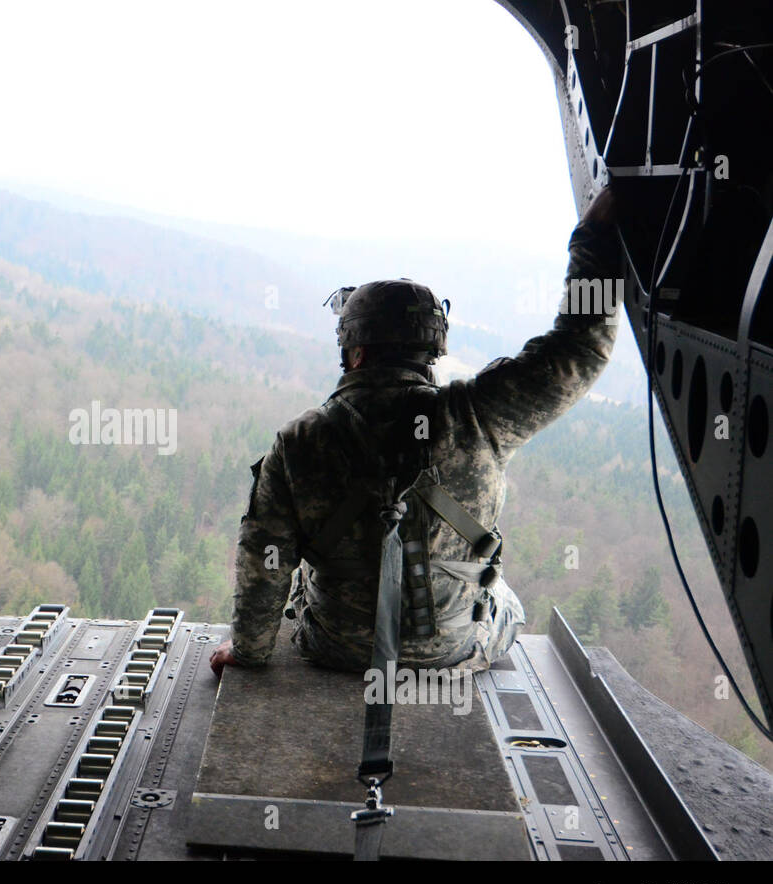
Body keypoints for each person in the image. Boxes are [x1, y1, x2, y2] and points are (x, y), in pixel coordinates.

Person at [211, 187, 620, 676]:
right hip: (451, 651)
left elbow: (267, 560)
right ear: (432, 352)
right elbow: (578, 352)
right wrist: (594, 239)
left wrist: (249, 651)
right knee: (504, 597)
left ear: (354, 353)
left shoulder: (300, 441)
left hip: (338, 647)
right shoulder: (478, 415)